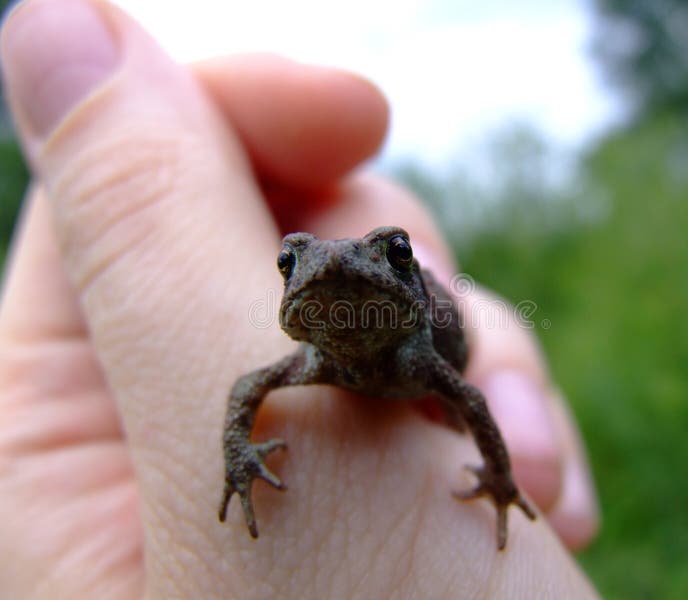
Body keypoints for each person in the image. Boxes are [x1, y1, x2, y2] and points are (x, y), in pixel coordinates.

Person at [0, 0, 599, 596]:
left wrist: (499, 477)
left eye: (392, 256)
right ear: (291, 295)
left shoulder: (417, 356)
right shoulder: (314, 360)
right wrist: (239, 458)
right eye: (291, 264)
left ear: (406, 280)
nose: (335, 267)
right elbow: (244, 391)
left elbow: (470, 397)